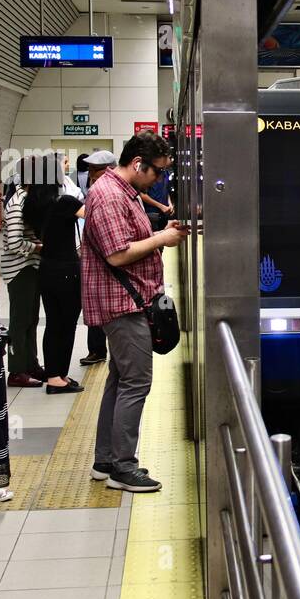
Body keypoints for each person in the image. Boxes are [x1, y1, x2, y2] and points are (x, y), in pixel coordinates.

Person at [81, 131, 188, 492]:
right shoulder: (110, 195)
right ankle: (123, 468)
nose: (160, 180)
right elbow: (117, 253)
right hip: (122, 304)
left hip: (126, 300)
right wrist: (162, 239)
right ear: (138, 164)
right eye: (158, 172)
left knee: (120, 379)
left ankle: (105, 459)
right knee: (137, 382)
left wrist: (160, 229)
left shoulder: (120, 191)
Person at [25, 178, 85, 395]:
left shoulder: (33, 206)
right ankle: (58, 377)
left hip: (46, 268)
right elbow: (93, 215)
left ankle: (54, 374)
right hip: (67, 270)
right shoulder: (65, 203)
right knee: (67, 326)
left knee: (53, 324)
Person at [1, 174, 45, 387]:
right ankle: (16, 370)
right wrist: (38, 247)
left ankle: (31, 364)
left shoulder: (26, 199)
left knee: (31, 319)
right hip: (20, 269)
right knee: (20, 321)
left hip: (30, 267)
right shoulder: (18, 204)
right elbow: (14, 242)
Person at [79, 150, 117, 367]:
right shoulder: (95, 191)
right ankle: (97, 350)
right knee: (96, 310)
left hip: (108, 263)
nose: (91, 173)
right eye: (90, 169)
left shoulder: (110, 194)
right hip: (96, 261)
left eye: (96, 169)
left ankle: (104, 350)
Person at [140, 165, 172, 232]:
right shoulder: (149, 172)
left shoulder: (166, 172)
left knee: (163, 237)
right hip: (151, 213)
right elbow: (142, 194)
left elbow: (166, 190)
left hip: (164, 213)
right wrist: (161, 206)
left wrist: (170, 204)